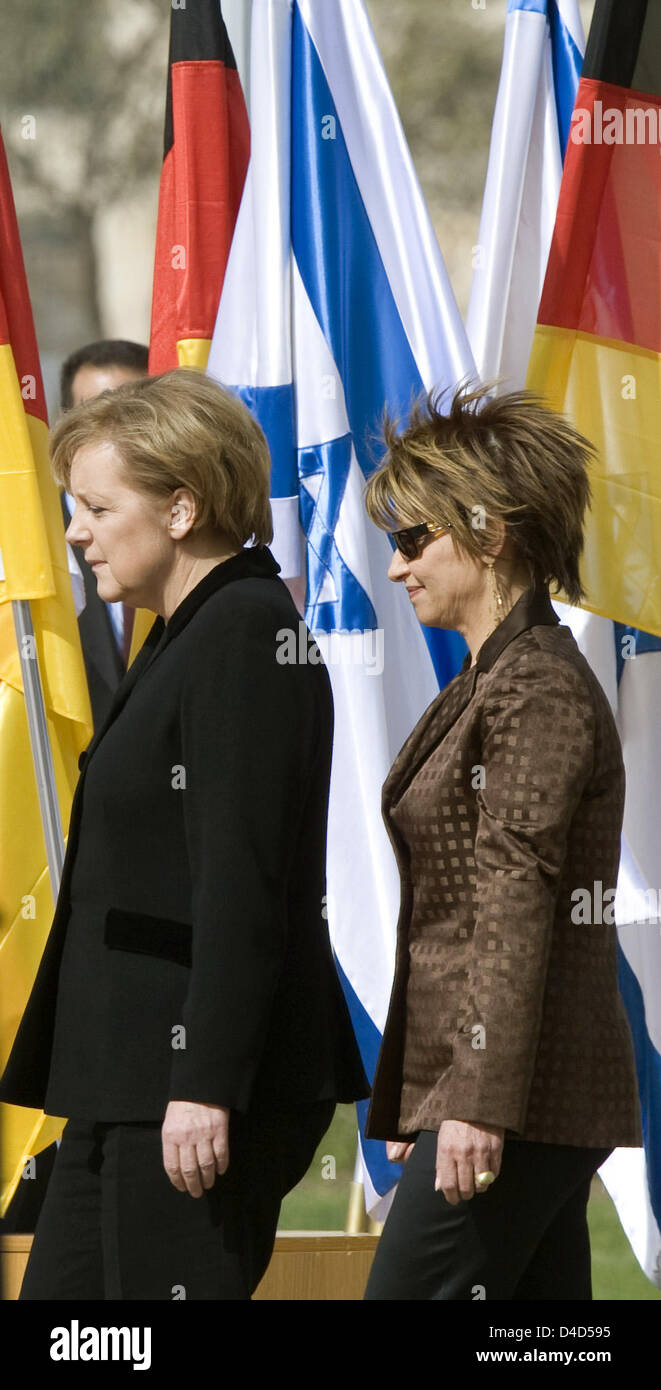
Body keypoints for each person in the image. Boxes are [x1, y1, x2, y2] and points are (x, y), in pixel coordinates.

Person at [0, 367, 368, 1300]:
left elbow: (240, 884)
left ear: (179, 508)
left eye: (94, 505)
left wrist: (202, 1083)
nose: (74, 531)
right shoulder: (183, 631)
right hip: (120, 1088)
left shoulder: (243, 632)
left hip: (185, 1092)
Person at [360, 381, 642, 1301]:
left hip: (520, 1101)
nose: (397, 568)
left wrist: (472, 1103)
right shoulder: (493, 679)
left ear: (490, 531)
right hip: (515, 1097)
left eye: (411, 539)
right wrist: (426, 1091)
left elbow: (509, 905)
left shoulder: (533, 686)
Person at [60, 340, 151, 724]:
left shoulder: (194, 533)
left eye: (131, 416)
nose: (111, 434)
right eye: (94, 416)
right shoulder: (24, 545)